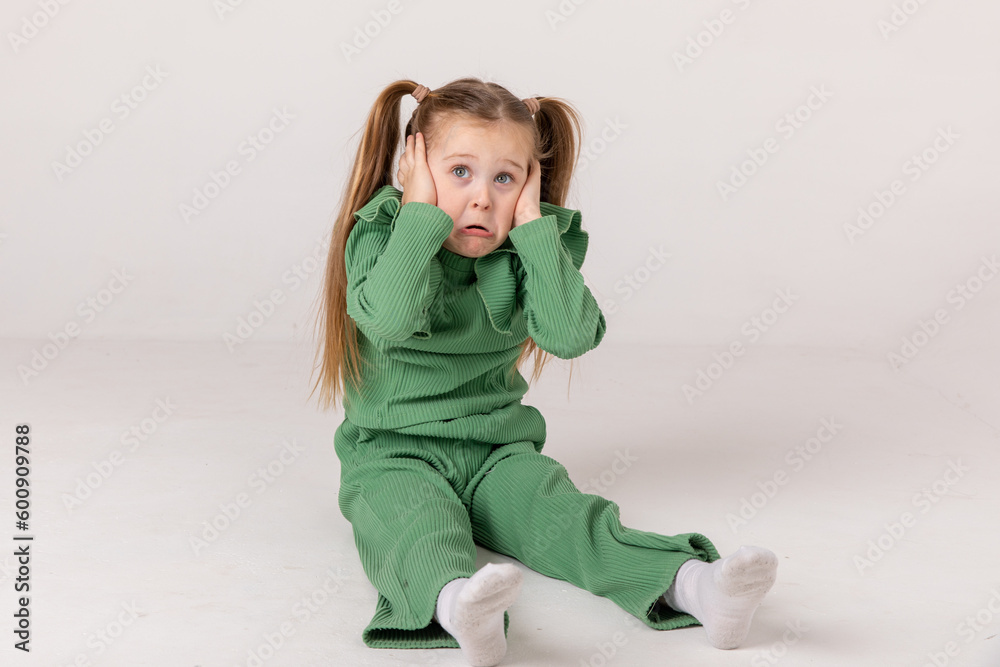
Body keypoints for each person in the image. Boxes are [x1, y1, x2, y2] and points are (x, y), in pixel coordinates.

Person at [309, 77, 778, 667]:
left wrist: (531, 223)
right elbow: (391, 319)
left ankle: (697, 586)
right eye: (458, 173)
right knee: (419, 532)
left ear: (529, 181)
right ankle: (460, 608)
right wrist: (416, 211)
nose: (481, 198)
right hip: (391, 454)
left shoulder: (531, 247)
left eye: (504, 178)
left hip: (497, 451)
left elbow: (572, 334)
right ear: (413, 165)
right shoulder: (382, 234)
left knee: (565, 519)